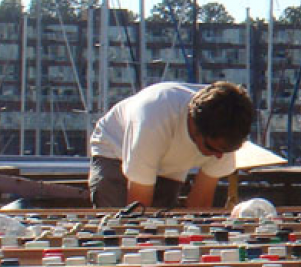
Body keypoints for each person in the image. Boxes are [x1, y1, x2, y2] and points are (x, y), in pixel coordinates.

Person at [87, 80, 255, 210]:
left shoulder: (226, 130)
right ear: (196, 128)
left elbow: (200, 204)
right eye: (213, 149)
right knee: (117, 227)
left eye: (227, 151)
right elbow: (137, 209)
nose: (220, 156)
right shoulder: (153, 118)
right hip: (116, 152)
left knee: (166, 223)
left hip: (171, 162)